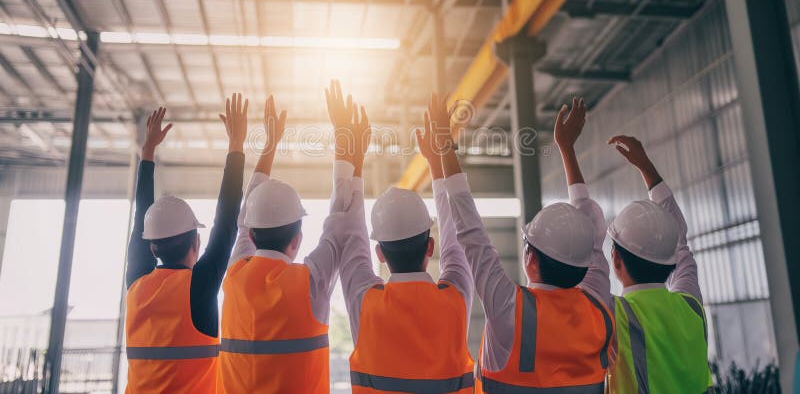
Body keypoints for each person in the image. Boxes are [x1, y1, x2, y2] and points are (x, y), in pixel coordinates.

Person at [440, 95, 614, 393]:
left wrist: (444, 144)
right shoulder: (599, 308)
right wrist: (567, 149)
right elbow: (471, 234)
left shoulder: (510, 310)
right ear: (586, 265)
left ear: (530, 259)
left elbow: (471, 233)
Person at [217, 83, 362, 394]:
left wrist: (270, 145)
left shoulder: (235, 275)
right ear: (297, 239)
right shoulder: (310, 283)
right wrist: (343, 136)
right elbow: (340, 217)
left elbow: (245, 218)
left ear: (252, 234)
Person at [336, 95, 475, 394]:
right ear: (430, 247)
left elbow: (351, 237)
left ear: (380, 254)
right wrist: (437, 164)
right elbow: (457, 235)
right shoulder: (455, 300)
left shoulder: (365, 303)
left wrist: (355, 164)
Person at [124, 95, 247, 394]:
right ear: (197, 241)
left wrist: (147, 151)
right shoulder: (198, 287)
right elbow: (227, 220)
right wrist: (236, 144)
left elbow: (142, 219)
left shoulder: (137, 285)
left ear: (151, 247)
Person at [605, 135, 712, 393]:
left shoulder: (613, 316)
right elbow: (680, 243)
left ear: (615, 259)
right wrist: (646, 166)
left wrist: (645, 166)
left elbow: (679, 243)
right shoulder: (691, 306)